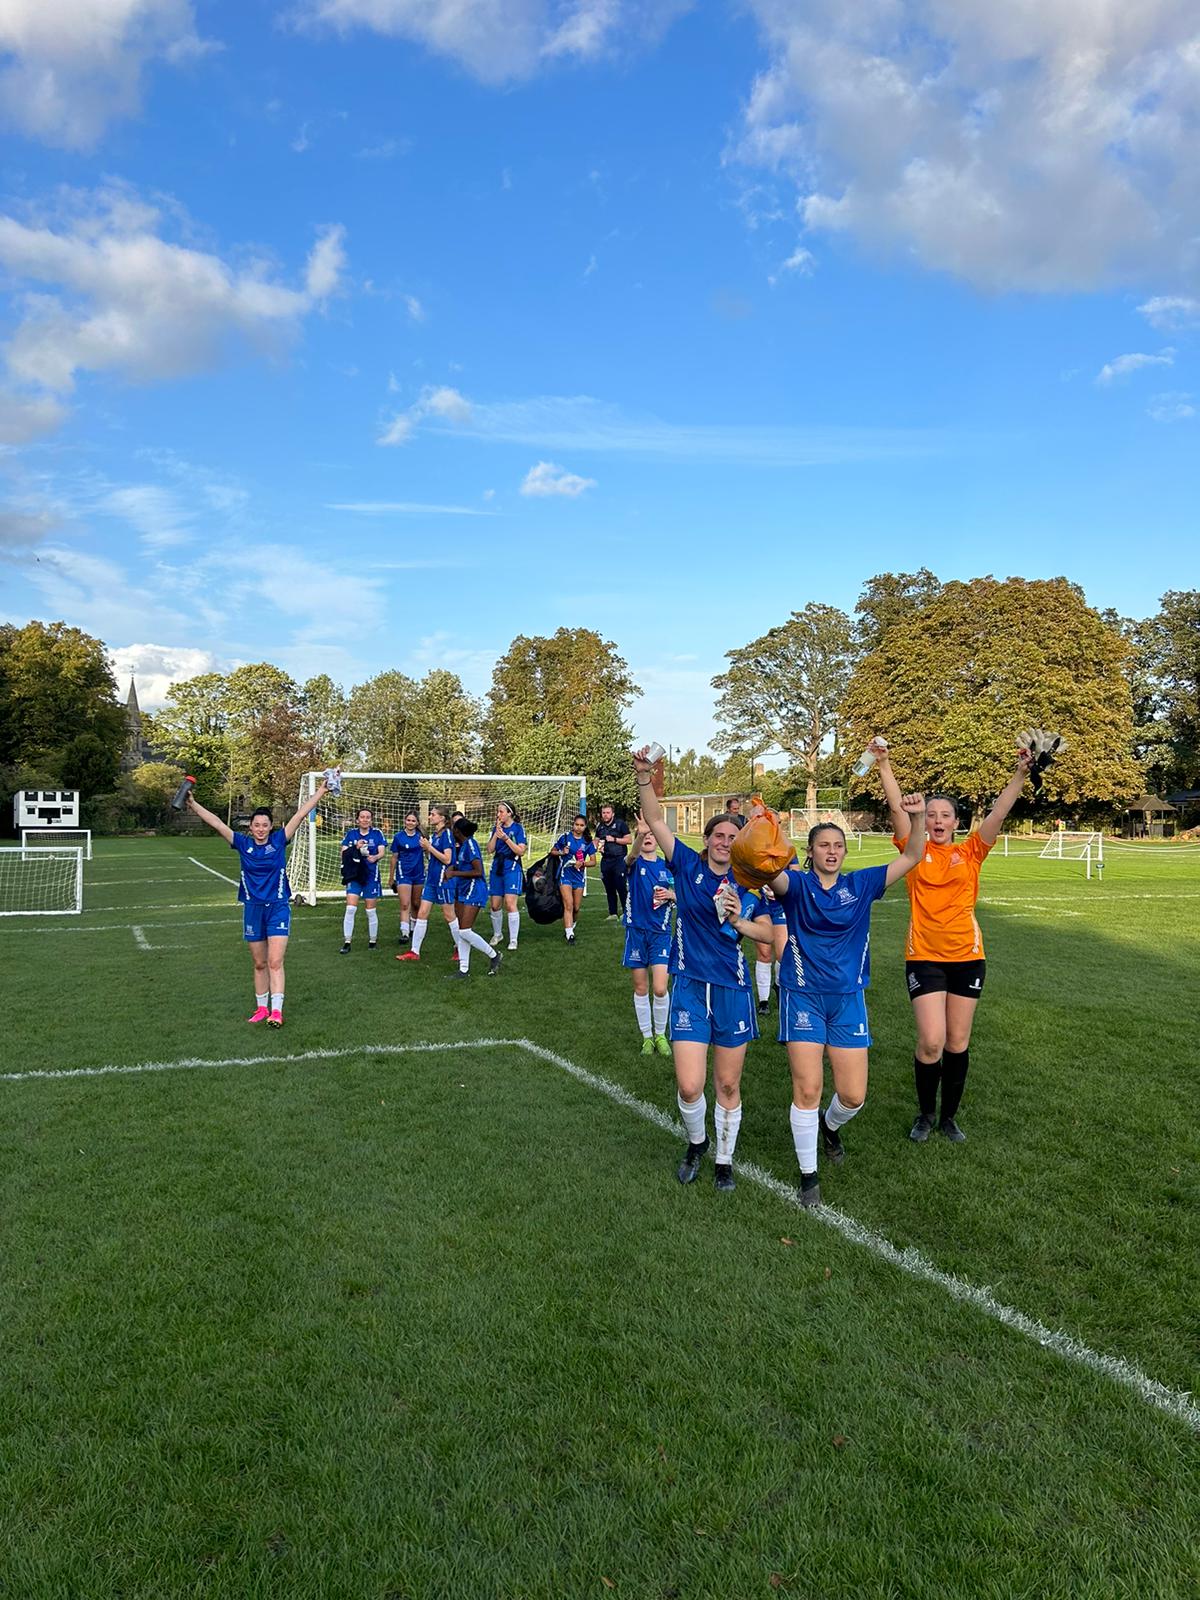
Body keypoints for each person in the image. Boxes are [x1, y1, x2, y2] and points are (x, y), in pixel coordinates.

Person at [726, 798, 927, 1207]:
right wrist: (760, 830)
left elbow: (913, 853)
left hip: (848, 1000)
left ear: (845, 851)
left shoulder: (862, 885)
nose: (831, 851)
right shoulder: (796, 886)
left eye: (838, 845)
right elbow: (769, 871)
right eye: (823, 845)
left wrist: (919, 816)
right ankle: (808, 1177)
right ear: (811, 851)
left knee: (853, 1096)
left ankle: (829, 1129)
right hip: (802, 997)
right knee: (809, 1088)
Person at [870, 738, 1033, 1143]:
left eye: (945, 815)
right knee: (931, 1042)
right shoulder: (914, 850)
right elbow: (896, 811)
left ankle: (948, 1118)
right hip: (923, 957)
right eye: (931, 814)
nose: (938, 820)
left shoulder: (973, 851)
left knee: (957, 1042)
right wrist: (885, 765)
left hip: (967, 959)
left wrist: (1019, 774)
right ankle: (925, 1114)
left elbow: (999, 811)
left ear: (957, 822)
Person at [632, 746, 757, 1193]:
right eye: (718, 835)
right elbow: (657, 820)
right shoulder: (686, 865)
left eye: (732, 837)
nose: (724, 842)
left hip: (731, 989)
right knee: (689, 1086)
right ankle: (697, 1143)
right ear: (707, 840)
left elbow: (769, 936)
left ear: (740, 844)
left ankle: (724, 1160)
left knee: (726, 1085)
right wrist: (646, 779)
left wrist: (741, 917)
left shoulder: (749, 881)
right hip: (688, 986)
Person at [186, 779, 328, 1026]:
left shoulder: (279, 841)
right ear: (250, 828)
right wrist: (193, 803)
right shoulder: (242, 844)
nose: (261, 829)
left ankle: (277, 1012)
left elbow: (302, 812)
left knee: (275, 961)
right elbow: (216, 823)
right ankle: (262, 1008)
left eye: (265, 825)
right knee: (260, 963)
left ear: (271, 827)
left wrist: (322, 791)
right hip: (252, 909)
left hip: (278, 907)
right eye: (256, 825)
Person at [623, 817, 674, 1057]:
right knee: (641, 987)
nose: (649, 838)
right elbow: (630, 855)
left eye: (653, 834)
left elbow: (686, 896)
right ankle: (647, 1037)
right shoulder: (633, 863)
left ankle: (661, 1034)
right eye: (645, 835)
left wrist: (672, 895)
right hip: (636, 933)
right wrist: (640, 834)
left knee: (661, 988)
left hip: (661, 934)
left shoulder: (668, 867)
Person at [397, 804, 459, 963]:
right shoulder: (435, 835)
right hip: (431, 880)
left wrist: (429, 848)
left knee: (449, 915)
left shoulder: (447, 835)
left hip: (443, 881)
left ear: (442, 818)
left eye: (433, 814)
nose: (430, 817)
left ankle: (460, 948)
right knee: (422, 913)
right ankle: (414, 951)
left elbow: (447, 859)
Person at [445, 816, 503, 978]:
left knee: (464, 931)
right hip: (464, 890)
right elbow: (462, 864)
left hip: (474, 890)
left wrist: (454, 873)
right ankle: (464, 969)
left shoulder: (470, 845)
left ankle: (494, 955)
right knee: (463, 930)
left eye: (453, 829)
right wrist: (453, 868)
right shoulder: (463, 846)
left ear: (457, 831)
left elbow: (478, 871)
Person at [339, 807, 387, 953]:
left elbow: (382, 852)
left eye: (368, 817)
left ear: (371, 820)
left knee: (370, 911)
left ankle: (372, 941)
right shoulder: (351, 834)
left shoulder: (377, 833)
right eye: (362, 817)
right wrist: (356, 847)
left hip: (371, 875)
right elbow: (343, 852)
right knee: (350, 908)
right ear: (357, 819)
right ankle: (347, 941)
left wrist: (375, 857)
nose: (365, 819)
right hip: (354, 875)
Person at [487, 802, 527, 951]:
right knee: (495, 904)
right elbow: (490, 849)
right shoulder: (496, 829)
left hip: (512, 867)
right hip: (497, 867)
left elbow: (520, 851)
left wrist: (505, 838)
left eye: (501, 812)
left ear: (509, 813)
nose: (499, 815)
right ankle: (497, 934)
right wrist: (496, 836)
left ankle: (513, 939)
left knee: (510, 904)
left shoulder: (518, 828)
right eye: (498, 812)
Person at [551, 815, 595, 944]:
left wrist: (582, 863)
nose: (578, 827)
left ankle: (572, 925)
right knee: (568, 904)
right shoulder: (565, 837)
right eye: (576, 824)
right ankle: (569, 935)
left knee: (576, 907)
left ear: (585, 826)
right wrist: (561, 853)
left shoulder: (587, 841)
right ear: (573, 824)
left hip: (579, 877)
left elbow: (593, 862)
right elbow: (552, 851)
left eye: (581, 825)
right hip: (565, 875)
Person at [389, 810, 425, 944]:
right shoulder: (398, 837)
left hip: (419, 873)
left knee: (416, 903)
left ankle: (414, 928)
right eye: (408, 820)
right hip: (403, 872)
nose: (410, 823)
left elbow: (428, 852)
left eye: (413, 821)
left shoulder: (421, 837)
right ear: (405, 821)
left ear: (417, 823)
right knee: (405, 904)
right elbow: (394, 857)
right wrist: (391, 877)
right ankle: (404, 932)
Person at [594, 802, 633, 920]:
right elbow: (596, 839)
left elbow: (629, 840)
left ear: (613, 813)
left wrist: (614, 839)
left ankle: (627, 913)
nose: (605, 815)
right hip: (606, 860)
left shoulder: (620, 824)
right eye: (603, 813)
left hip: (619, 859)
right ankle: (613, 913)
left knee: (621, 886)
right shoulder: (600, 826)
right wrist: (596, 846)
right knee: (609, 887)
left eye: (608, 813)